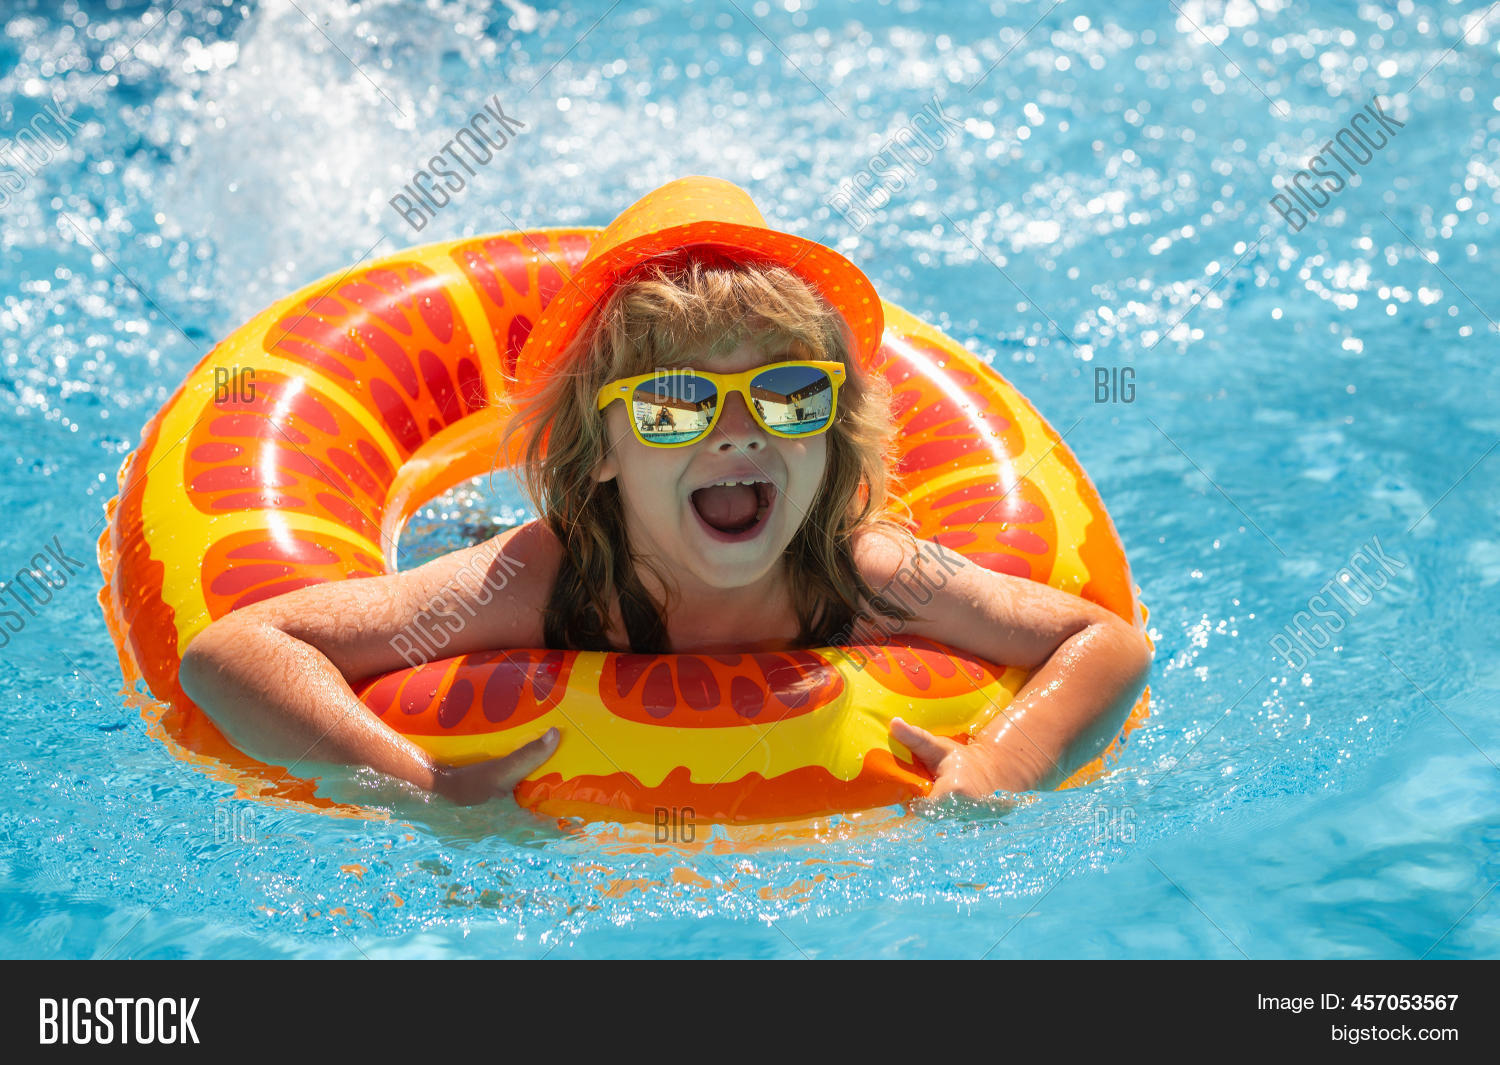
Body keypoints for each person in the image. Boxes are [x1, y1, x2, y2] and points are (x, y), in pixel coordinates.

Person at [178, 176, 1149, 808]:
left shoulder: (866, 572)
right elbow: (234, 654)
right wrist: (419, 783)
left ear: (836, 433)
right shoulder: (537, 581)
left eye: (789, 394)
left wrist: (1003, 766)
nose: (740, 430)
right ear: (598, 449)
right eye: (675, 405)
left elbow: (1101, 641)